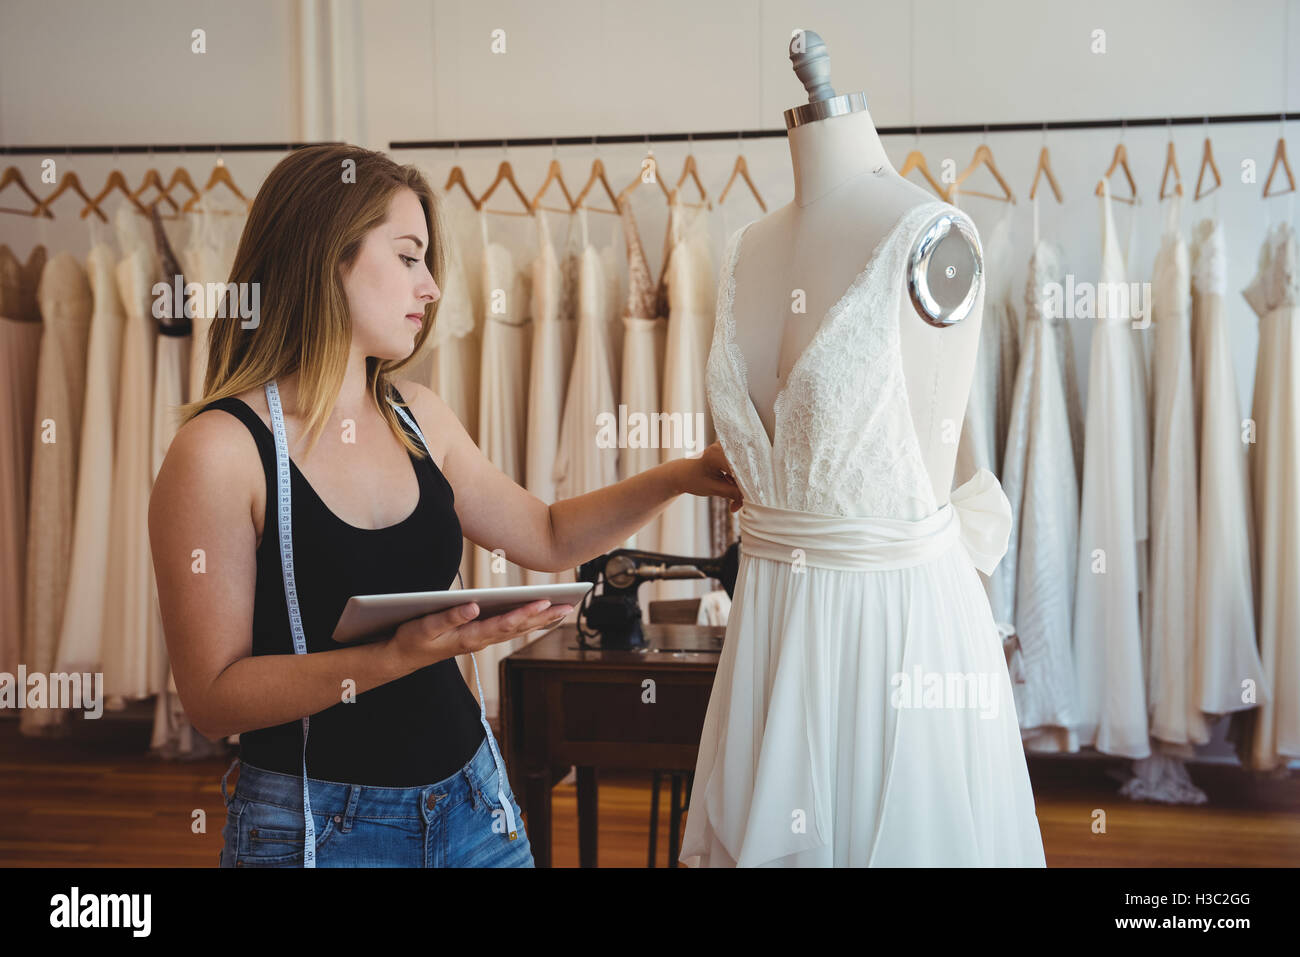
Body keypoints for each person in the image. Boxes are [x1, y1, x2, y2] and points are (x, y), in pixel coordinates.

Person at [149, 143, 742, 868]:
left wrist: (679, 476)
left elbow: (548, 534)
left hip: (472, 800)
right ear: (325, 255)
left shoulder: (417, 415)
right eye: (407, 257)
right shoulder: (219, 450)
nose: (430, 287)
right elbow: (211, 697)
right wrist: (393, 656)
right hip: (318, 826)